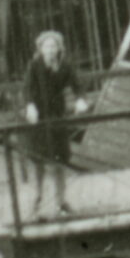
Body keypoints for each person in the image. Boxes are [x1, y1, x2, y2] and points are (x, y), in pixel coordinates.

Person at [21, 29, 87, 218]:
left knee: (59, 160)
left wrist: (80, 99)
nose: (50, 50)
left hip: (57, 116)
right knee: (39, 160)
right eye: (46, 47)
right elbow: (26, 89)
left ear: (59, 49)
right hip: (39, 118)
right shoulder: (34, 66)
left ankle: (61, 201)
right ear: (40, 49)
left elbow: (77, 85)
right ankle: (38, 199)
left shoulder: (64, 66)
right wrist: (30, 106)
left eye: (54, 46)